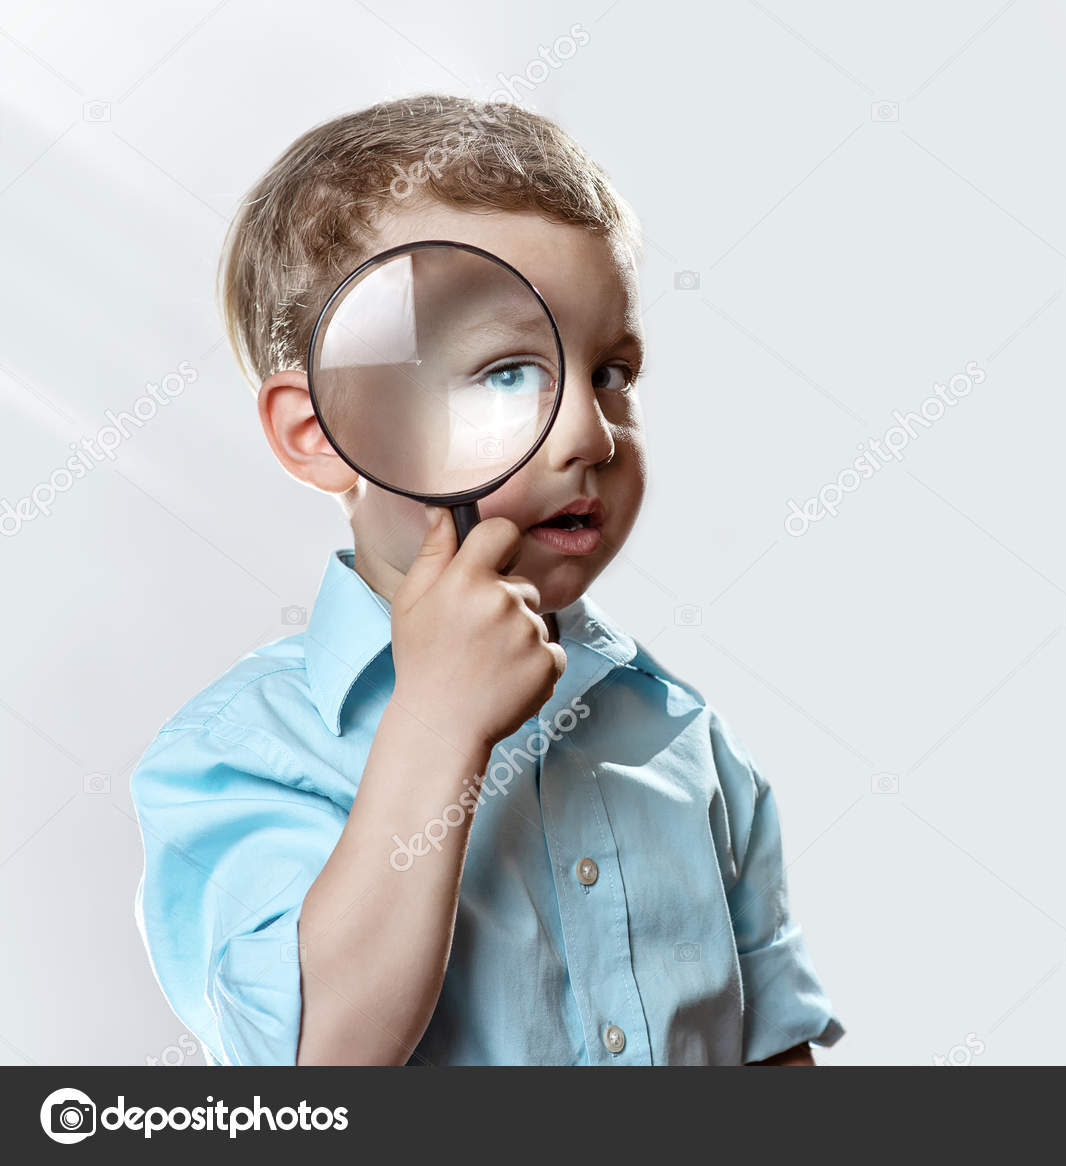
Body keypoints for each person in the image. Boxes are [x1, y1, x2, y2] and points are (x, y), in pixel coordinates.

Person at [128, 94, 844, 1066]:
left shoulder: (681, 735)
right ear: (322, 431)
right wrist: (436, 723)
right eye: (508, 373)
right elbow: (311, 1065)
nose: (591, 434)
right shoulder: (241, 754)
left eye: (610, 372)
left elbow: (773, 1048)